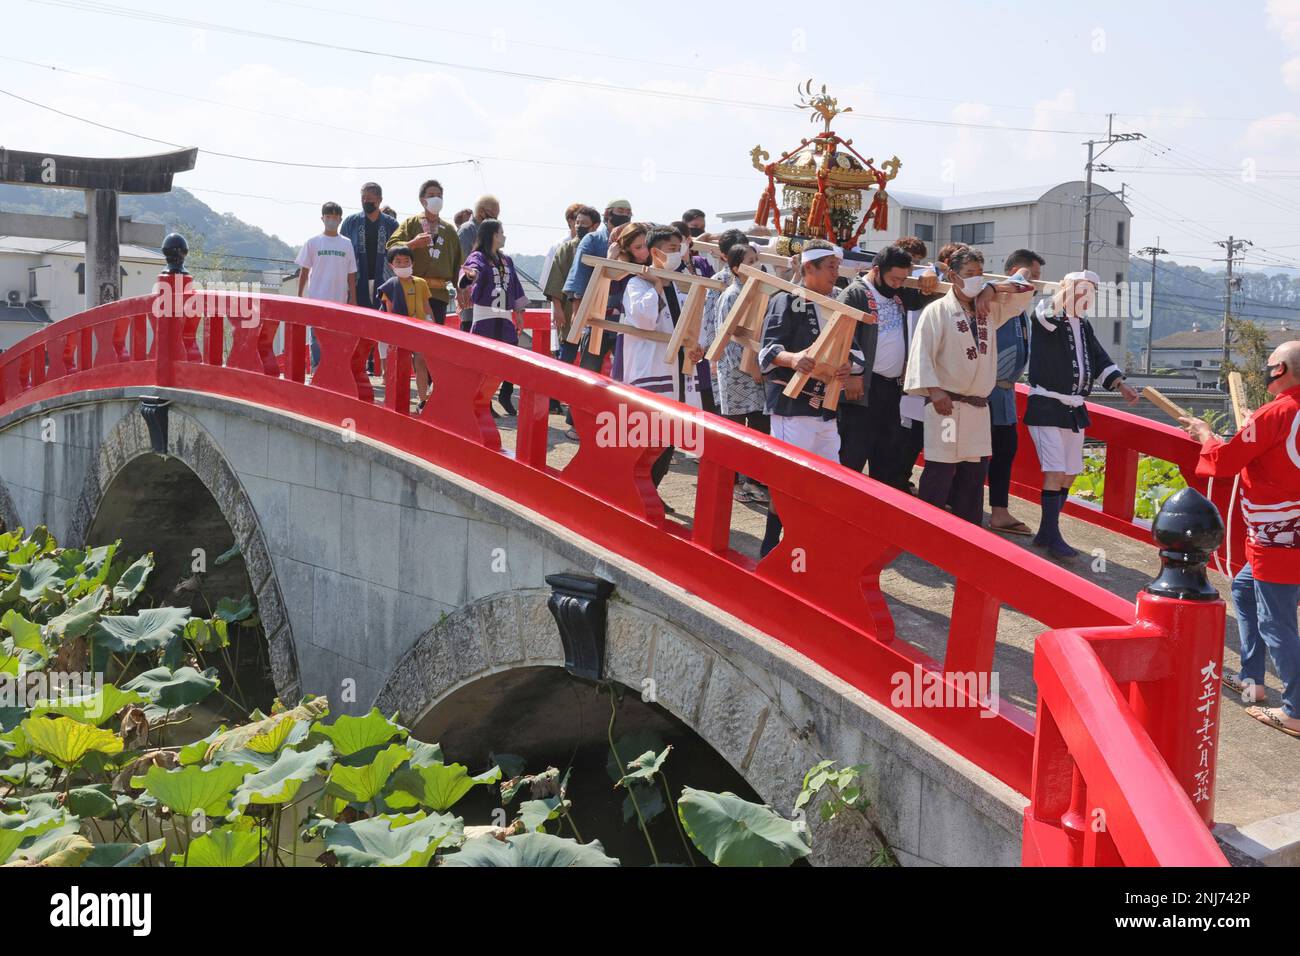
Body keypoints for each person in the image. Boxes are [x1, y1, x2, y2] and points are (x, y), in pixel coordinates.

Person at [1181, 341, 1300, 738]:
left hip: (1278, 538)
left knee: (1277, 623)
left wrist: (1205, 435)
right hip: (1292, 532)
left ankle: (1295, 710)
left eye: (1270, 366)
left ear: (1280, 369)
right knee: (1245, 589)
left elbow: (1227, 461)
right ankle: (1253, 677)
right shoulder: (1278, 414)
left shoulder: (1277, 412)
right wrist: (1256, 424)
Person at [903, 247, 1034, 526]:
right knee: (940, 469)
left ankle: (967, 534)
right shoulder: (937, 310)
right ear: (952, 275)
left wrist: (991, 288)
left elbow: (1024, 283)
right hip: (946, 406)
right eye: (969, 274)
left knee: (974, 474)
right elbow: (921, 353)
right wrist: (934, 391)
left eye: (979, 273)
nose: (975, 278)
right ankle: (927, 531)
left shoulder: (989, 308)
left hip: (977, 407)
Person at [1024, 270, 1139, 556]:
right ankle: (1052, 537)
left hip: (1074, 408)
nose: (1085, 297)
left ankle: (1046, 531)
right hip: (1046, 405)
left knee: (1070, 474)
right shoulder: (1046, 315)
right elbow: (1046, 315)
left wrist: (1121, 385)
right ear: (1066, 289)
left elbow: (1100, 359)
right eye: (1080, 290)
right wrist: (1066, 290)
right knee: (1055, 471)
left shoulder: (1083, 325)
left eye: (1090, 292)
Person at [757, 239, 855, 556]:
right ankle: (773, 544)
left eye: (838, 267)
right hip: (792, 403)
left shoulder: (838, 304)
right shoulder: (787, 300)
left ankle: (813, 541)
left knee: (829, 477)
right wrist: (793, 358)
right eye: (830, 267)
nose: (835, 274)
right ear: (809, 267)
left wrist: (847, 368)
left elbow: (855, 352)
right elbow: (768, 349)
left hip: (826, 404)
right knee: (790, 478)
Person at [835, 245, 941, 484]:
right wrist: (852, 373)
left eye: (903, 279)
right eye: (893, 278)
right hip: (862, 387)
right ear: (876, 270)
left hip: (890, 389)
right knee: (852, 455)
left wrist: (931, 271)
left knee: (887, 460)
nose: (897, 284)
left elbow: (931, 290)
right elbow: (841, 334)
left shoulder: (899, 293)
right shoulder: (856, 293)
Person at [621, 224, 702, 498]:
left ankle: (650, 492)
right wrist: (657, 285)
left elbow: (688, 326)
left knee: (669, 439)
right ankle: (635, 492)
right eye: (672, 249)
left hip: (677, 370)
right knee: (648, 437)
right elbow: (644, 318)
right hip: (651, 367)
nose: (678, 254)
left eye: (680, 249)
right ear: (655, 252)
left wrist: (694, 346)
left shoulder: (679, 286)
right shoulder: (637, 283)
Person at [701, 242, 770, 503]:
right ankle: (731, 482)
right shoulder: (732, 294)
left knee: (759, 427)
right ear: (735, 268)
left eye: (756, 260)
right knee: (736, 428)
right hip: (737, 372)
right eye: (749, 262)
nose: (755, 266)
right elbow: (728, 337)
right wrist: (751, 368)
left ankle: (753, 479)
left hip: (756, 370)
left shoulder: (757, 292)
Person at [985, 249, 1045, 535]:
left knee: (1005, 450)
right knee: (975, 454)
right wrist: (1020, 278)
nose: (1034, 283)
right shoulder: (999, 298)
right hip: (983, 389)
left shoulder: (1022, 309)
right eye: (1031, 275)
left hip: (1006, 392)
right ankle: (961, 505)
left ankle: (999, 511)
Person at [458, 219, 527, 416]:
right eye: (501, 232)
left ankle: (505, 394)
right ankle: (483, 400)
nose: (504, 236)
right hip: (484, 317)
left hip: (505, 317)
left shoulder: (507, 260)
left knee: (510, 359)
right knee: (484, 360)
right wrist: (470, 276)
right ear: (493, 235)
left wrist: (519, 313)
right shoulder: (478, 256)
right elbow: (473, 270)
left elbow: (515, 285)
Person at [560, 199, 634, 364]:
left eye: (628, 213)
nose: (625, 215)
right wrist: (577, 309)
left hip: (625, 312)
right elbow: (579, 273)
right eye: (620, 211)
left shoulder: (633, 242)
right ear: (608, 214)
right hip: (597, 309)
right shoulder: (592, 239)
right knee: (589, 367)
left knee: (624, 370)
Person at [387, 180, 462, 327]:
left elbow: (458, 262)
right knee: (410, 335)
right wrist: (412, 244)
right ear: (423, 200)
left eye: (439, 195)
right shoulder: (411, 223)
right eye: (432, 195)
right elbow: (391, 247)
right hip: (412, 289)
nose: (436, 198)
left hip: (439, 294)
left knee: (434, 337)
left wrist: (460, 288)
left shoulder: (449, 230)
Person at [295, 202, 357, 368]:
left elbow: (351, 273)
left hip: (339, 299)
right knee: (316, 335)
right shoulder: (313, 242)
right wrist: (299, 296)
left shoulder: (346, 243)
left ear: (340, 219)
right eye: (328, 217)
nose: (331, 220)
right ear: (322, 218)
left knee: (337, 335)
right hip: (317, 298)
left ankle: (334, 369)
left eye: (335, 217)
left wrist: (353, 299)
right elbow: (304, 271)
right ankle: (317, 368)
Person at [375, 245, 435, 409]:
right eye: (398, 262)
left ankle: (423, 400)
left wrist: (434, 326)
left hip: (420, 329)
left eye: (406, 261)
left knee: (421, 363)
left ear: (412, 263)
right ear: (391, 265)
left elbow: (427, 305)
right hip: (400, 331)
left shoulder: (421, 283)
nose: (402, 265)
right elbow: (389, 310)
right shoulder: (390, 285)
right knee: (397, 366)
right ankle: (394, 401)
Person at [542, 204, 599, 356]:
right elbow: (556, 279)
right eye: (577, 223)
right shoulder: (565, 248)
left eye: (584, 224)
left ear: (595, 226)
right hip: (567, 309)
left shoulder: (600, 248)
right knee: (566, 353)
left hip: (594, 308)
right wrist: (557, 308)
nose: (579, 226)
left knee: (591, 356)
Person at [340, 182, 399, 310]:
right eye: (363, 198)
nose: (366, 201)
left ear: (379, 200)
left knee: (383, 320)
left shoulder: (391, 224)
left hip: (385, 279)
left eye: (370, 198)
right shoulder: (351, 222)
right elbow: (343, 251)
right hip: (356, 280)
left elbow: (397, 252)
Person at [457, 195, 501, 331]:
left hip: (489, 294)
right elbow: (464, 263)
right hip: (471, 292)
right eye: (494, 214)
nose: (496, 219)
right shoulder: (467, 230)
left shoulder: (489, 232)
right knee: (471, 333)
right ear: (481, 212)